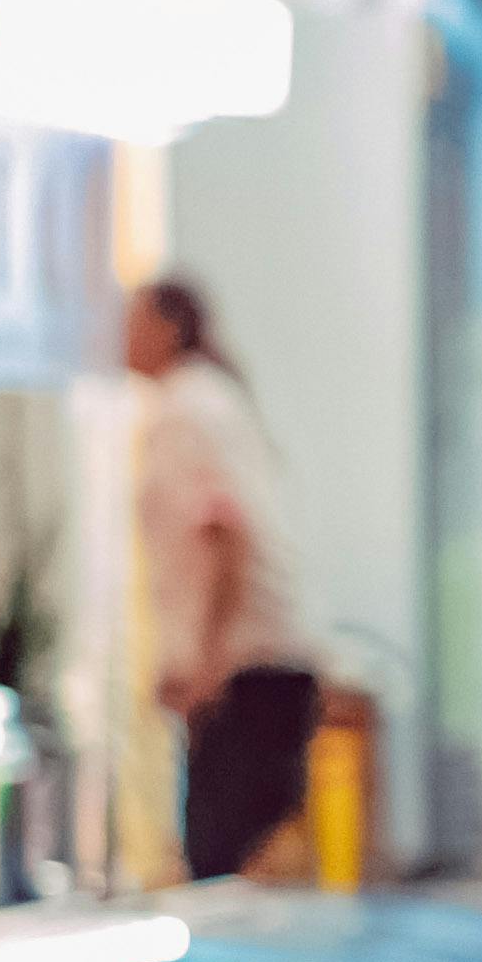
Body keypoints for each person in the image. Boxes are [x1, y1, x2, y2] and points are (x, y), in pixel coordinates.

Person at [133, 277, 314, 881]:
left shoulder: (184, 411)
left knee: (220, 880)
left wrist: (206, 662)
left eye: (132, 320)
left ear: (168, 328)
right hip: (265, 669)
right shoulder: (217, 400)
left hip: (243, 676)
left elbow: (226, 536)